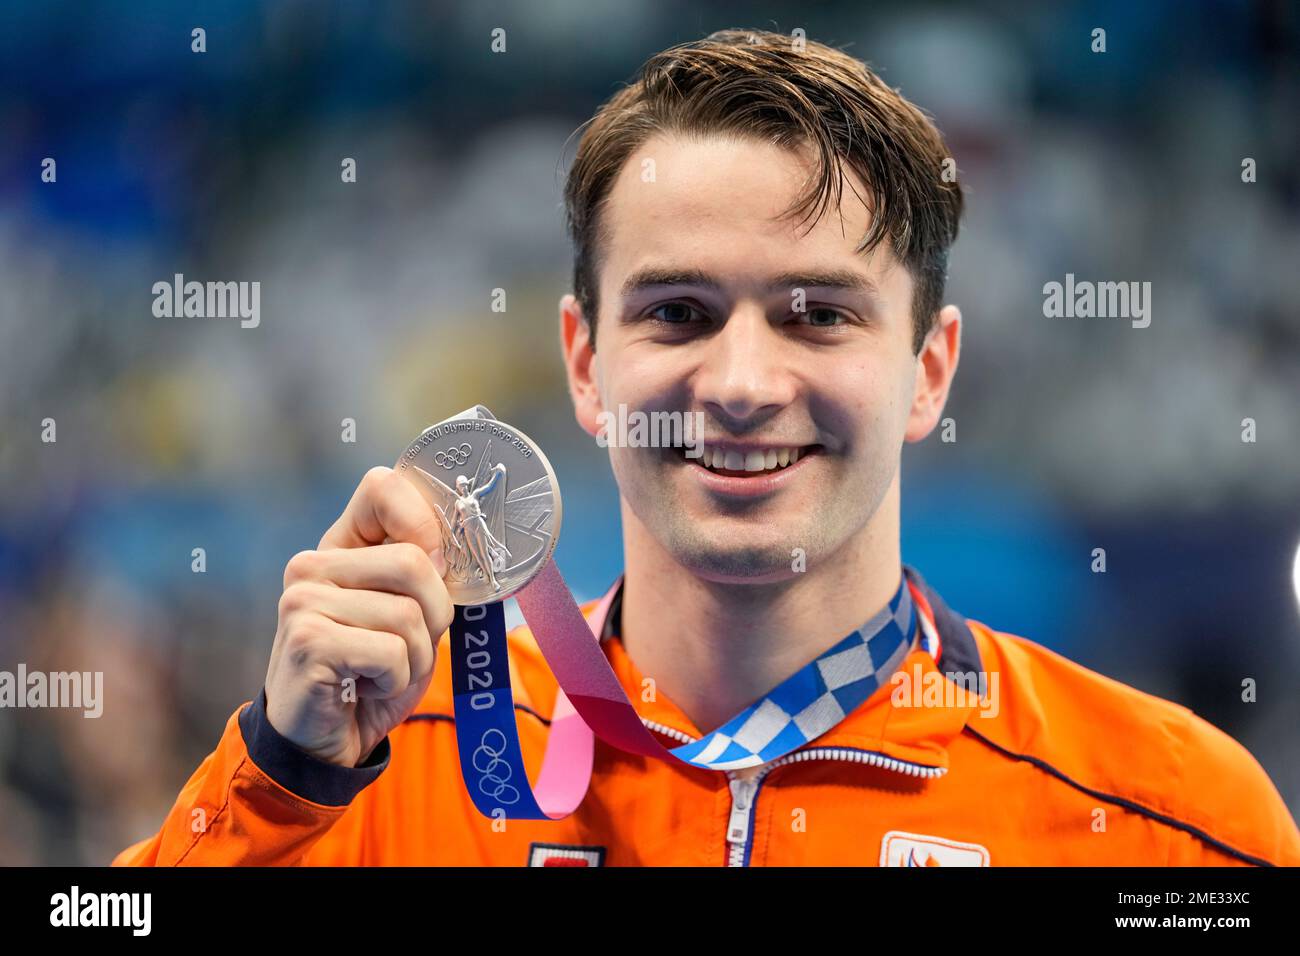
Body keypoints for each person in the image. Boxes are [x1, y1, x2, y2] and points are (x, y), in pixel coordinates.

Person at [113, 29, 1300, 867]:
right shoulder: (386, 761)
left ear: (928, 369)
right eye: (677, 311)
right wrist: (284, 775)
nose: (739, 383)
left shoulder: (1163, 812)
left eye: (817, 313)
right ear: (583, 363)